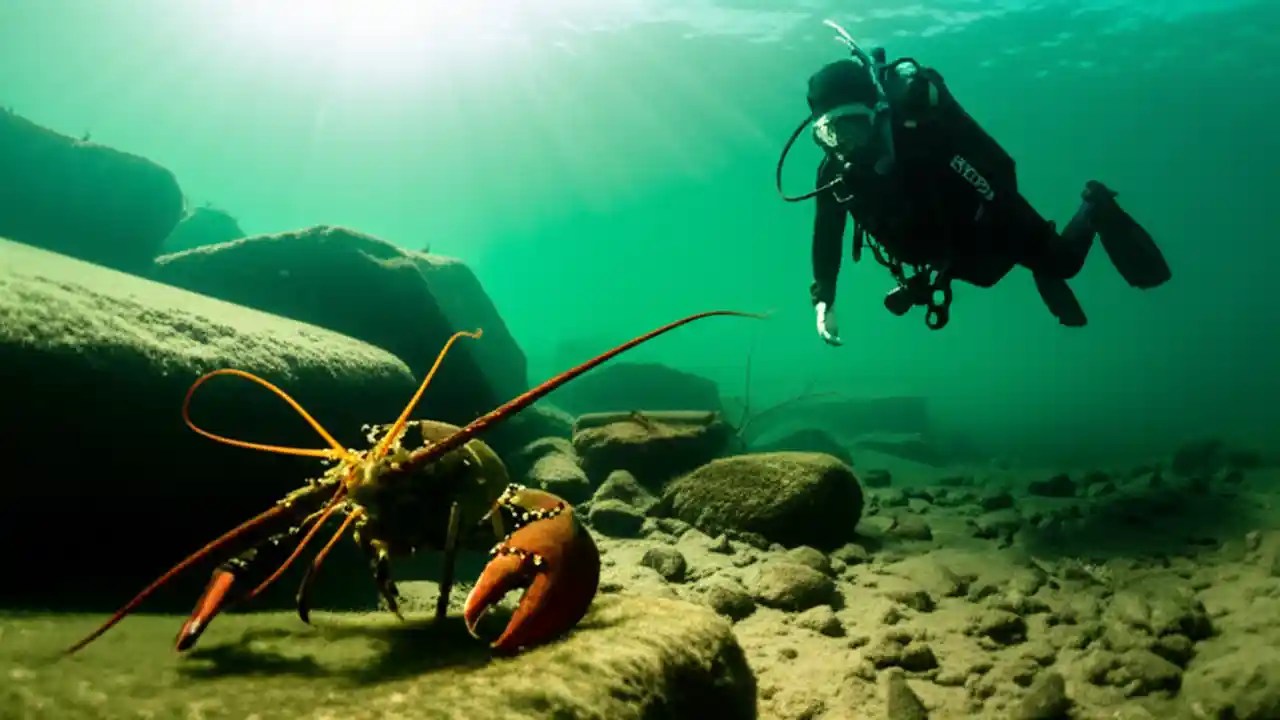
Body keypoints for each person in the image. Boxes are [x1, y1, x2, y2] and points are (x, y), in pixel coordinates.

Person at [776, 21, 1171, 342]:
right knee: (985, 276)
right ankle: (1035, 262)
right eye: (830, 135)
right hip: (945, 247)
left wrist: (1028, 246)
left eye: (853, 127)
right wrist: (823, 299)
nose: (845, 145)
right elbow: (826, 233)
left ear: (877, 114)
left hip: (991, 216)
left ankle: (1094, 205)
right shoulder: (835, 172)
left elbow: (995, 186)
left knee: (1064, 263)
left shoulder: (923, 139)